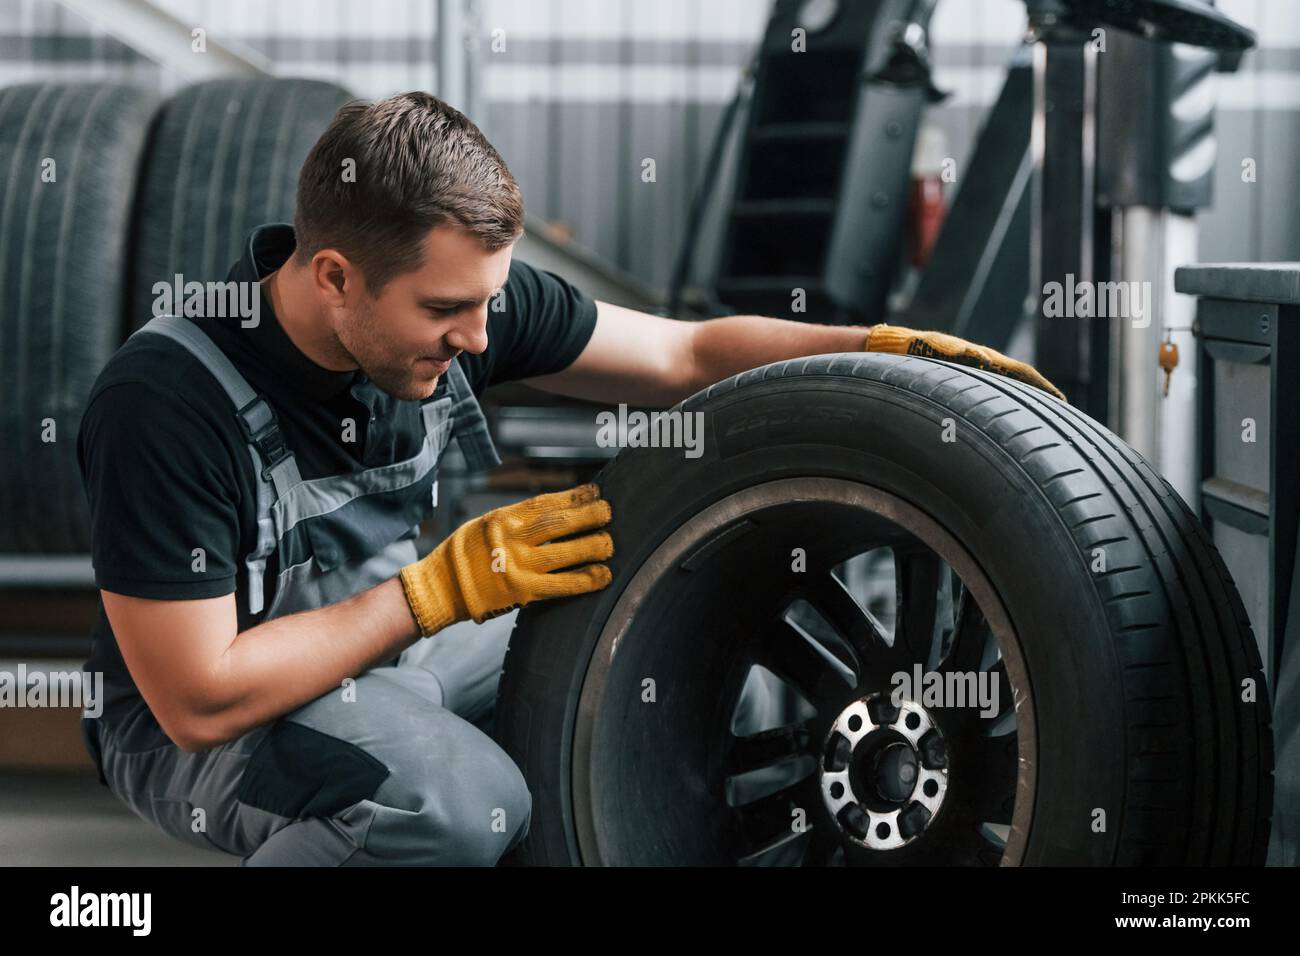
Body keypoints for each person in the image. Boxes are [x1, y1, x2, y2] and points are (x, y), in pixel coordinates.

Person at [76, 90, 1063, 866]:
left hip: (379, 657)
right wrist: (437, 590)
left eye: (489, 304)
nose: (476, 338)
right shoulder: (168, 401)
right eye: (446, 311)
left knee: (686, 646)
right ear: (333, 276)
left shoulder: (457, 298)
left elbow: (686, 356)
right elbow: (196, 696)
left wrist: (880, 348)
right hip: (197, 724)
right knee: (456, 803)